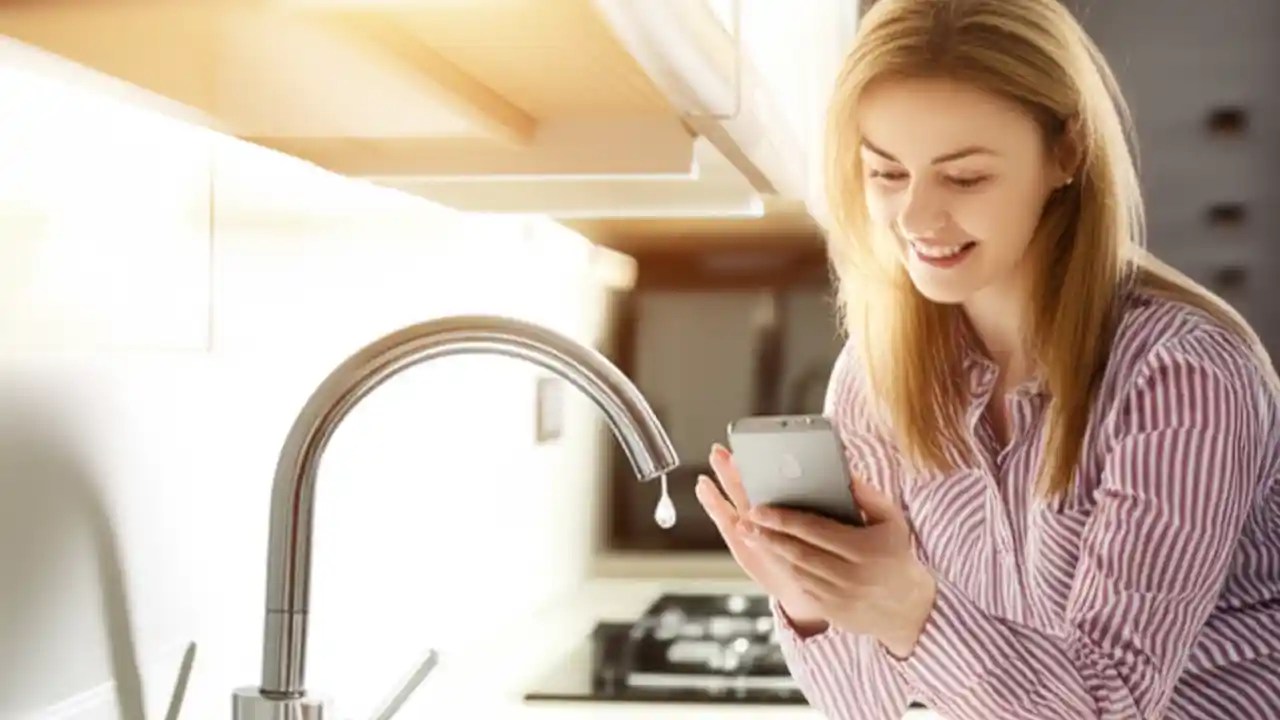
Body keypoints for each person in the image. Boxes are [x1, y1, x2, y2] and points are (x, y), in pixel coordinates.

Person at [694, 1, 1280, 718]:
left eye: (964, 178)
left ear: (1067, 153)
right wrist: (814, 598)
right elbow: (875, 709)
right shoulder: (876, 378)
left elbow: (1110, 704)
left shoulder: (1182, 376)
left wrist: (910, 610)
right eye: (886, 173)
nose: (914, 219)